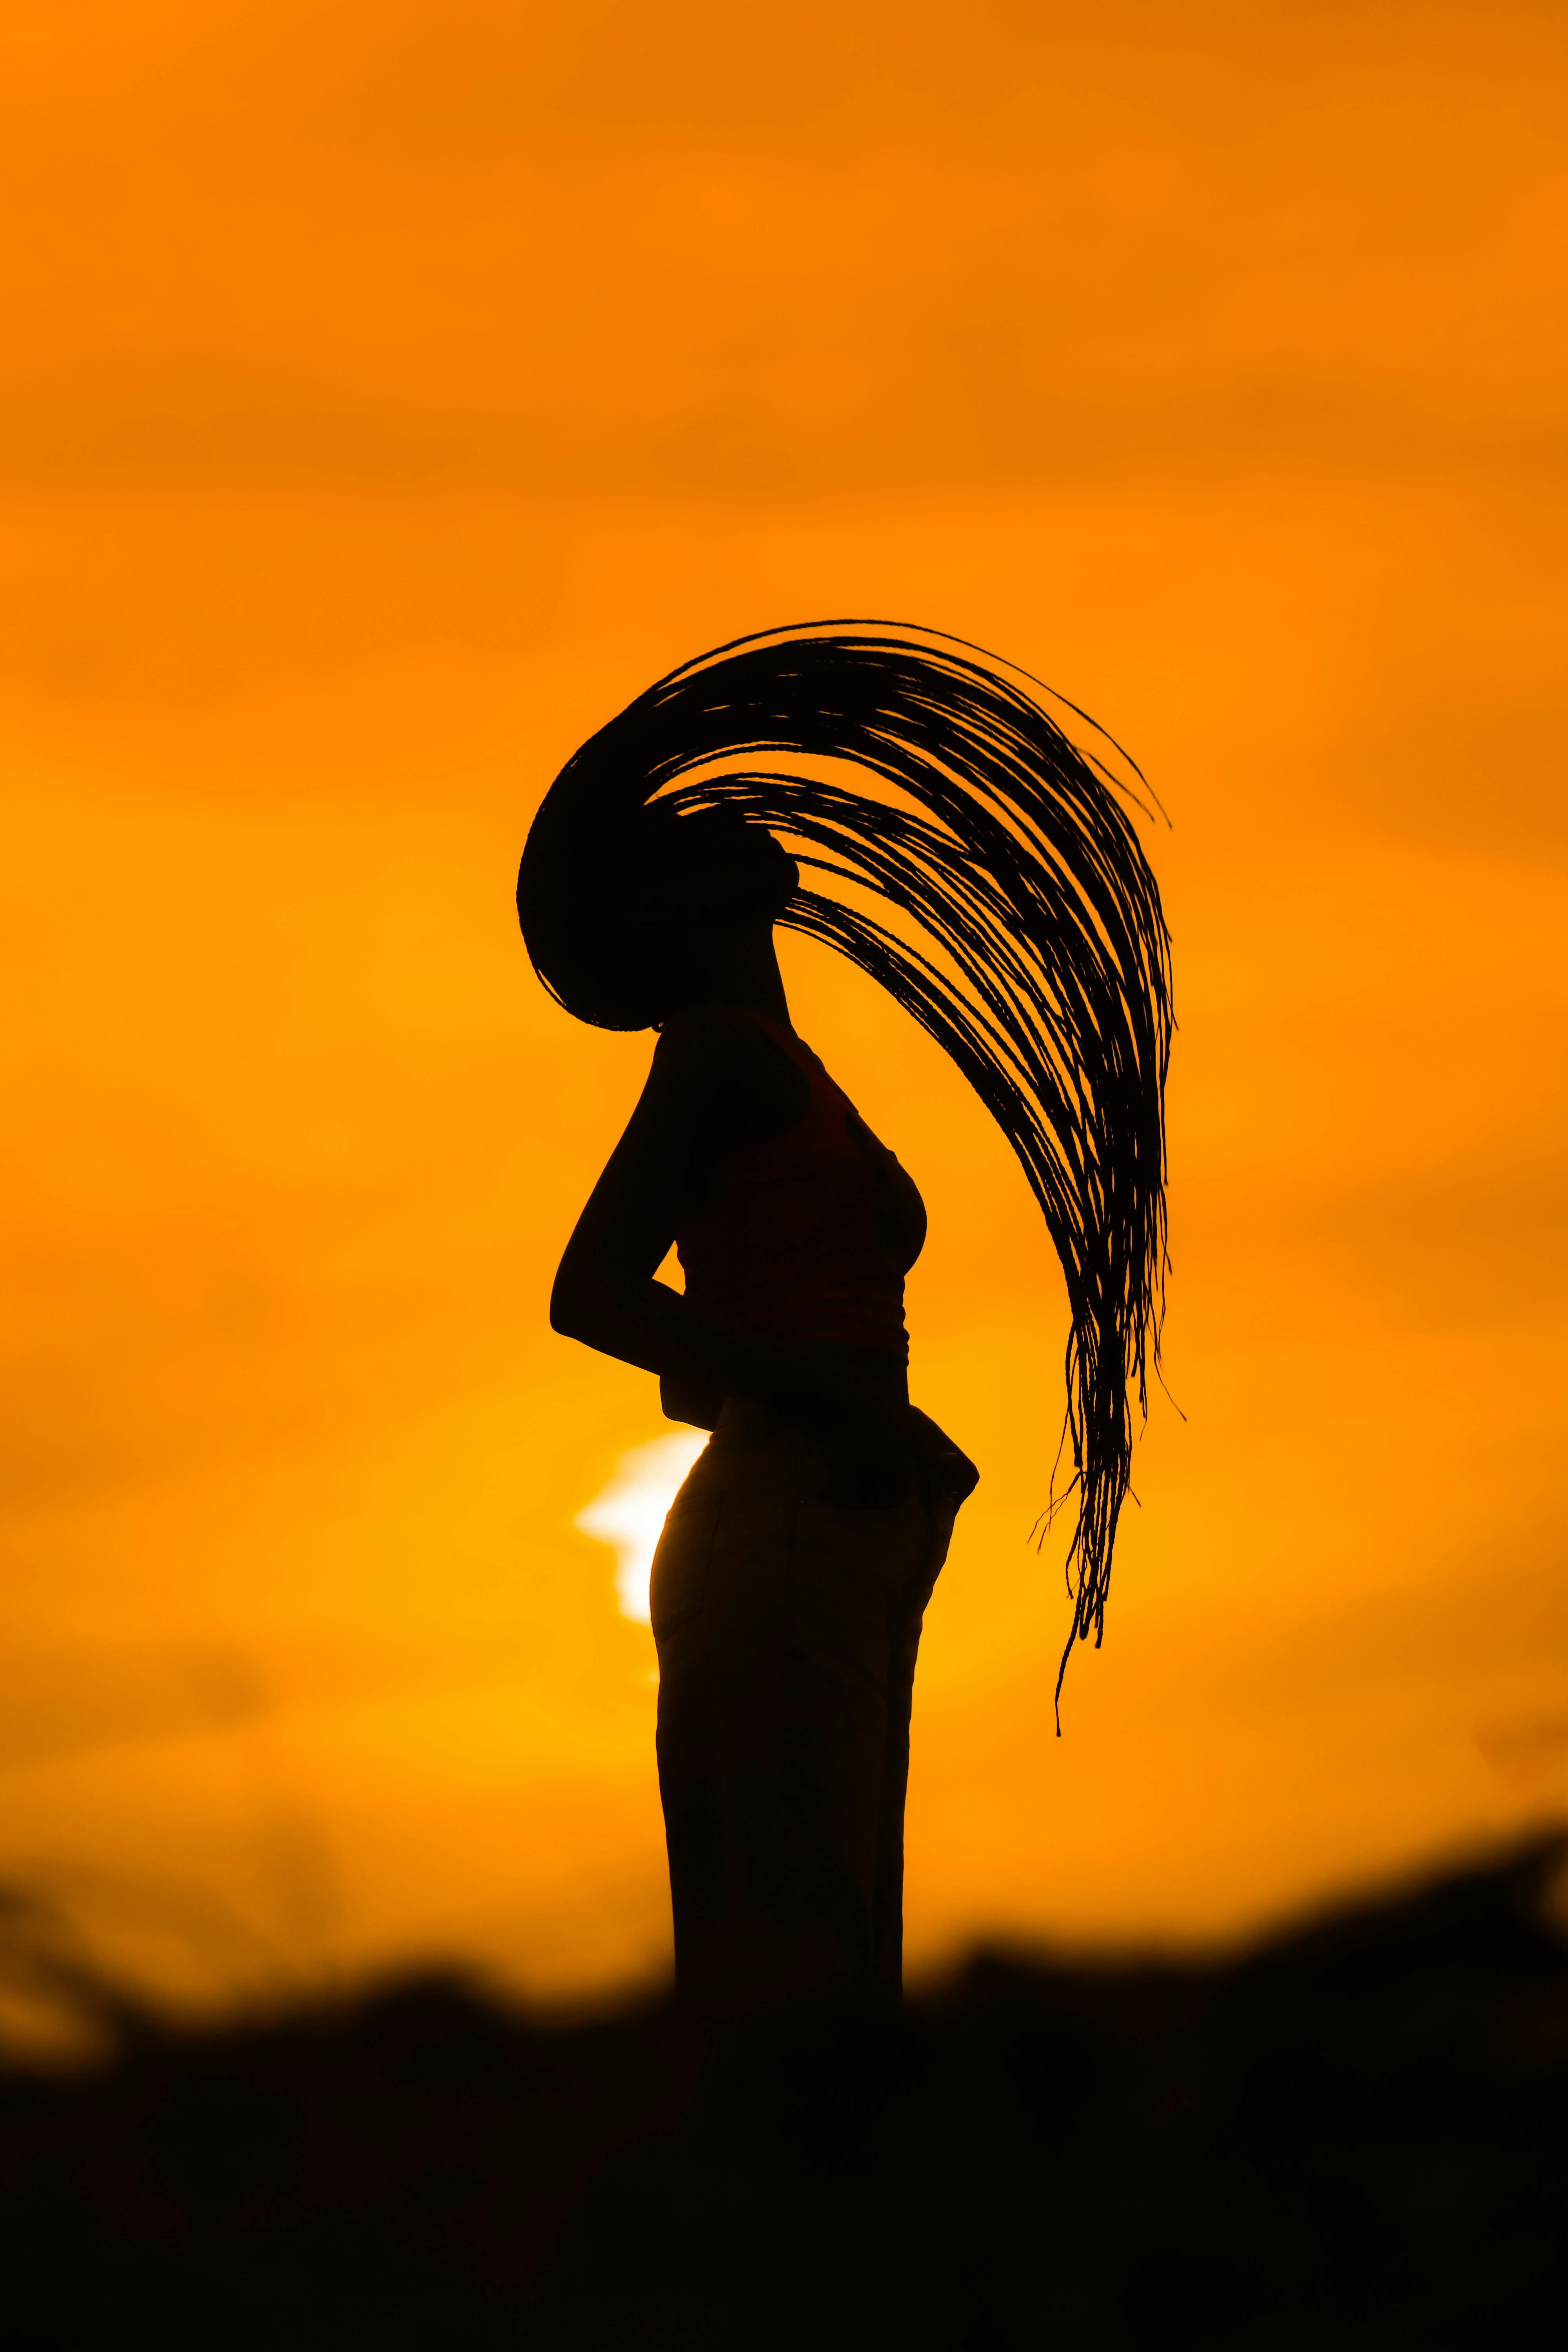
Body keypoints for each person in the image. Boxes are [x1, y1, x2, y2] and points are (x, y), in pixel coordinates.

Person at [517, 624, 1171, 2010]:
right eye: (691, 847)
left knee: (839, 1928)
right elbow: (593, 1296)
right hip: (790, 1502)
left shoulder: (785, 1065)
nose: (740, 841)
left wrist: (845, 1417)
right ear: (681, 907)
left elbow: (702, 1353)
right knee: (793, 1930)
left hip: (836, 1502)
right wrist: (833, 1403)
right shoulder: (714, 1049)